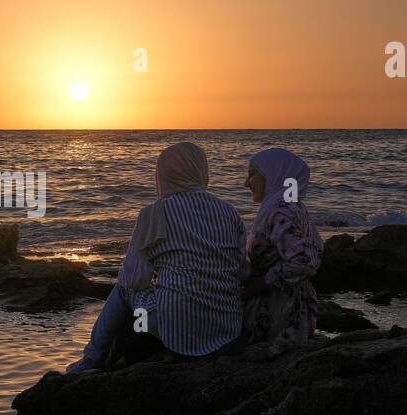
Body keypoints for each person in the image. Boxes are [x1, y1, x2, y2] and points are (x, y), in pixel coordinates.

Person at [66, 142, 247, 374]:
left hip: (176, 333)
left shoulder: (155, 213)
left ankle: (92, 358)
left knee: (123, 288)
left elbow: (135, 280)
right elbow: (241, 271)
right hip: (227, 331)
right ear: (201, 171)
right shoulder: (229, 211)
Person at [240, 147, 324, 351]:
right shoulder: (294, 206)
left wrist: (261, 282)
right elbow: (318, 250)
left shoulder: (279, 211)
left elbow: (303, 262)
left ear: (273, 174)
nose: (246, 183)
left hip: (277, 311)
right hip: (297, 308)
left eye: (252, 174)